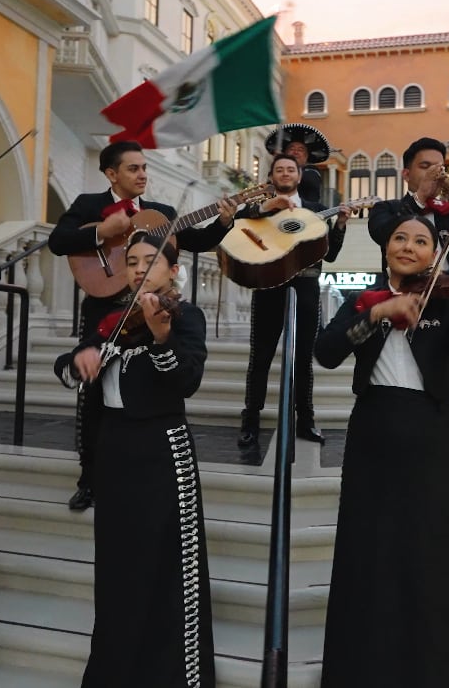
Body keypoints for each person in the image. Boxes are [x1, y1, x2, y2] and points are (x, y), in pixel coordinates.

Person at [314, 215, 449, 688]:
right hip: (372, 433)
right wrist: (375, 315)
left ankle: (427, 671)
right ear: (386, 247)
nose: (408, 246)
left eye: (421, 241)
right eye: (400, 238)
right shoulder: (364, 296)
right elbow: (325, 352)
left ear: (434, 254)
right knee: (366, 555)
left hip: (432, 435)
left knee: (429, 555)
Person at [47, 140, 237, 511]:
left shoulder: (161, 211)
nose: (142, 174)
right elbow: (58, 241)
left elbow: (195, 240)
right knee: (93, 399)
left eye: (145, 168)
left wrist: (224, 222)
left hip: (152, 311)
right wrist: (102, 230)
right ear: (111, 174)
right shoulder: (89, 204)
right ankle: (89, 478)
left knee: (144, 387)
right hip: (105, 309)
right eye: (133, 168)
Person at [64, 231, 216, 687]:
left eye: (151, 261)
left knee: (170, 565)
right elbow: (67, 364)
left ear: (172, 269)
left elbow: (186, 381)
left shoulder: (185, 316)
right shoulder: (112, 318)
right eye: (132, 261)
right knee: (118, 565)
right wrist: (82, 358)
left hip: (161, 449)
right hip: (114, 449)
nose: (138, 269)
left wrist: (162, 337)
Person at [237, 154, 350, 447]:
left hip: (306, 287)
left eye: (291, 170)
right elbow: (238, 226)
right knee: (259, 358)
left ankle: (306, 422)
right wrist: (264, 210)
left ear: (299, 176)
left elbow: (332, 255)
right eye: (279, 170)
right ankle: (250, 422)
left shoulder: (318, 210)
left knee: (303, 359)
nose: (286, 174)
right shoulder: (258, 209)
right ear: (272, 177)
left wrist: (340, 225)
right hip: (267, 288)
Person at [367, 136, 449, 269]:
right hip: (405, 289)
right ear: (406, 175)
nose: (435, 173)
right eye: (425, 167)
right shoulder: (386, 208)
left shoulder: (448, 212)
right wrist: (420, 196)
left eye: (440, 168)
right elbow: (383, 236)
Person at [264, 122, 331, 205]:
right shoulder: (274, 173)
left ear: (307, 157)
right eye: (291, 149)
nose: (295, 152)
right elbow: (267, 192)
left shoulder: (312, 172)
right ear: (285, 153)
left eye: (300, 150)